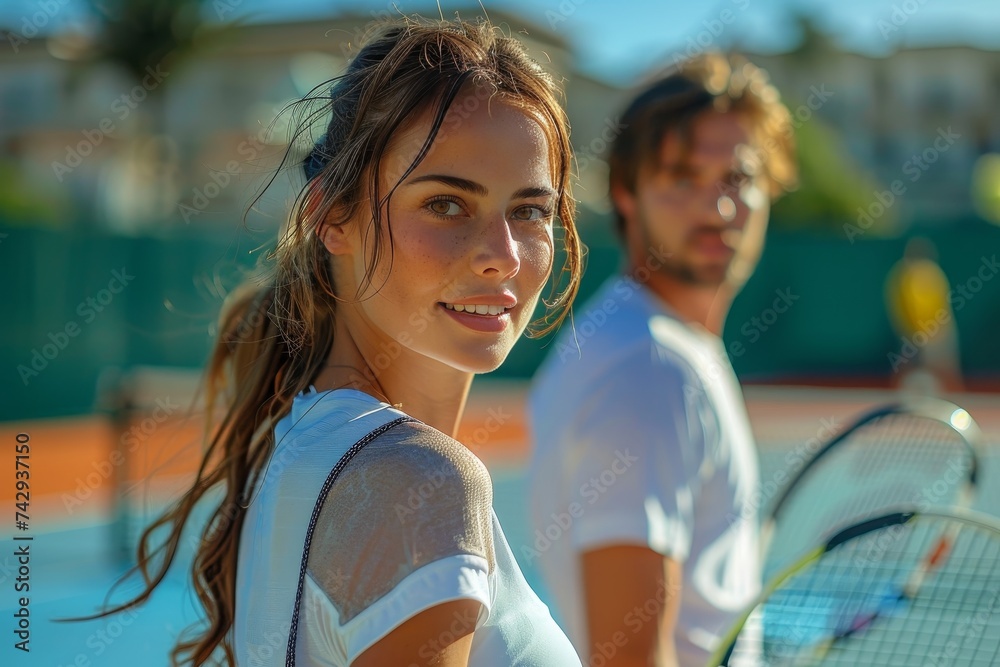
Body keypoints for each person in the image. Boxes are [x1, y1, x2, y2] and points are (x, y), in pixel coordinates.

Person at [78, 18, 585, 666]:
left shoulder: (291, 444)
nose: (503, 256)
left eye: (530, 210)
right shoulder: (423, 482)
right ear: (330, 215)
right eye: (446, 204)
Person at [526, 53, 797, 667]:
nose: (718, 208)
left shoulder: (657, 345)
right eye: (682, 176)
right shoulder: (650, 368)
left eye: (738, 177)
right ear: (625, 191)